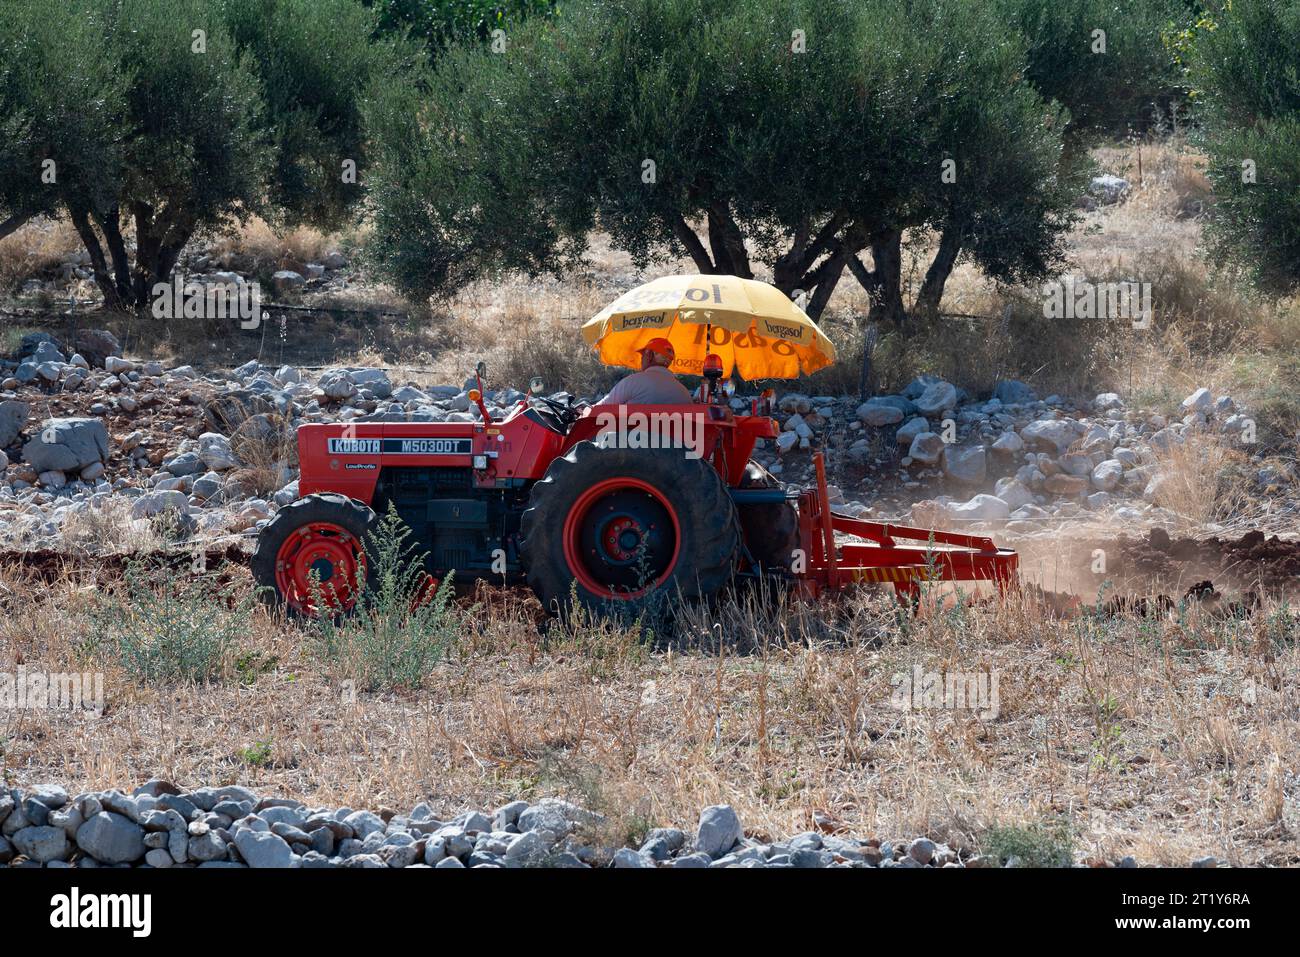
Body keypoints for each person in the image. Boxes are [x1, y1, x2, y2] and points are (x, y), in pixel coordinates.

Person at [598, 337, 693, 405]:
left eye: (643, 355)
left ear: (650, 355)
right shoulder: (684, 393)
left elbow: (602, 408)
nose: (641, 359)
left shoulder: (633, 381)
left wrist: (585, 408)